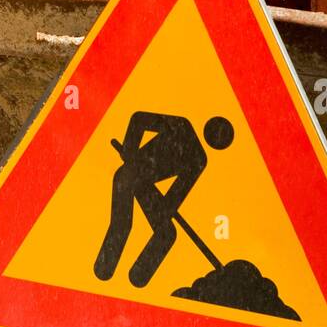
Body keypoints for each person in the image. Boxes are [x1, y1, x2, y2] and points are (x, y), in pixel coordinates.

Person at [94, 110, 234, 288]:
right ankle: (104, 270)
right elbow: (139, 119)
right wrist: (130, 150)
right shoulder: (182, 127)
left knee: (166, 232)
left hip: (145, 186)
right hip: (128, 176)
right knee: (123, 224)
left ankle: (137, 278)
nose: (218, 137)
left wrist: (165, 208)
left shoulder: (198, 159)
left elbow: (177, 193)